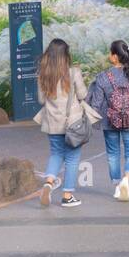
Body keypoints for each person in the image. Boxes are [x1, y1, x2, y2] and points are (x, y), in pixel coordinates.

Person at [86, 39, 129, 202]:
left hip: (109, 121)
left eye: (110, 53)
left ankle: (116, 186)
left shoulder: (103, 77)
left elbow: (96, 103)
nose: (109, 56)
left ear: (115, 57)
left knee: (113, 154)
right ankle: (126, 178)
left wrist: (92, 121)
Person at [35, 38, 87, 208]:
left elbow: (41, 100)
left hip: (52, 123)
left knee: (56, 153)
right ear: (65, 55)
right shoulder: (73, 72)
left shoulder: (43, 74)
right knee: (72, 158)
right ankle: (67, 196)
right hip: (73, 123)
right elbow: (82, 95)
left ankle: (49, 183)